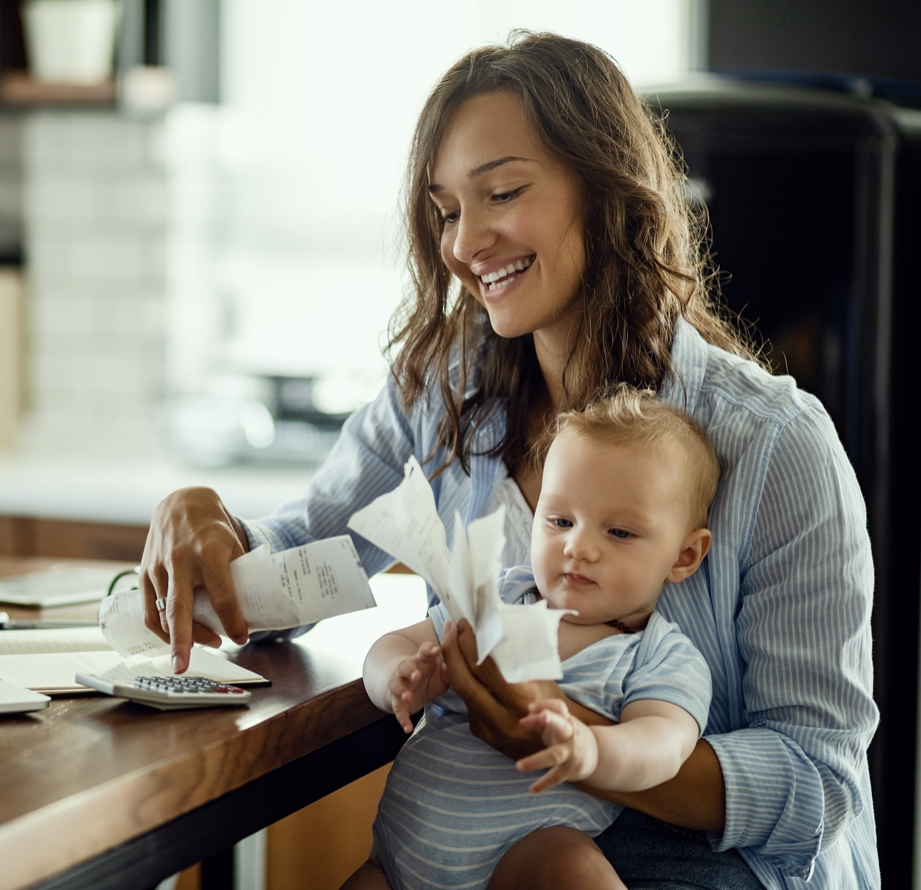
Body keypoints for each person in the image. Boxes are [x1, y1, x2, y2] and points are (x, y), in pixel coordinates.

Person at [139, 32, 878, 889]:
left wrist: (581, 743)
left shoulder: (774, 442)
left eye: (502, 193)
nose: (462, 244)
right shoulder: (444, 392)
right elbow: (308, 560)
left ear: (604, 192)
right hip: (471, 836)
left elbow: (816, 781)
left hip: (707, 860)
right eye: (447, 209)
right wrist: (208, 530)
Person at [351, 388, 718, 890]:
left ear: (683, 557)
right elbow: (390, 644)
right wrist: (398, 676)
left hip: (522, 857)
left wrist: (591, 750)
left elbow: (664, 745)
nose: (578, 546)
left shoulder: (659, 656)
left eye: (620, 533)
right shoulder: (501, 597)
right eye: (561, 521)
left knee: (572, 869)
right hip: (396, 860)